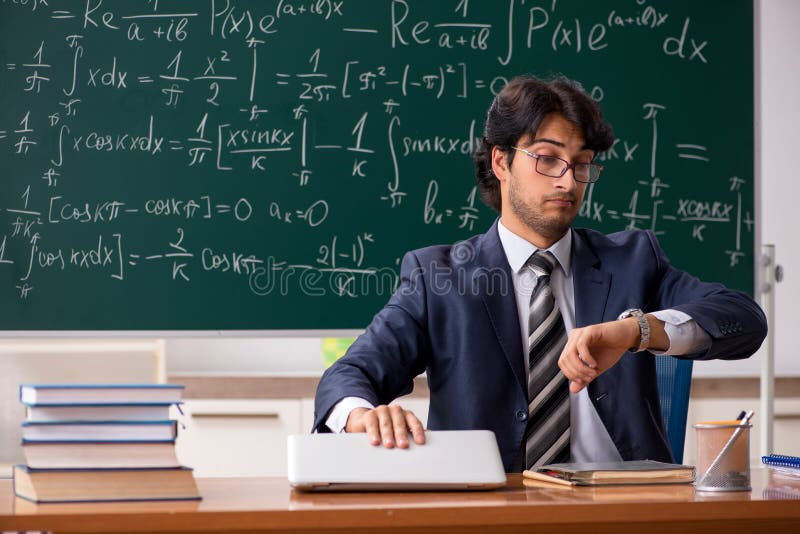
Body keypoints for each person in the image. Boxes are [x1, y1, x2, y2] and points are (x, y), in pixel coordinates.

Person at [312, 75, 767, 472]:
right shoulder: (439, 277)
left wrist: (635, 331)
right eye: (547, 158)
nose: (568, 182)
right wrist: (360, 415)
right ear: (501, 162)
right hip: (493, 513)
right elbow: (350, 375)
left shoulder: (632, 261)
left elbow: (743, 319)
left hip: (624, 508)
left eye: (582, 162)